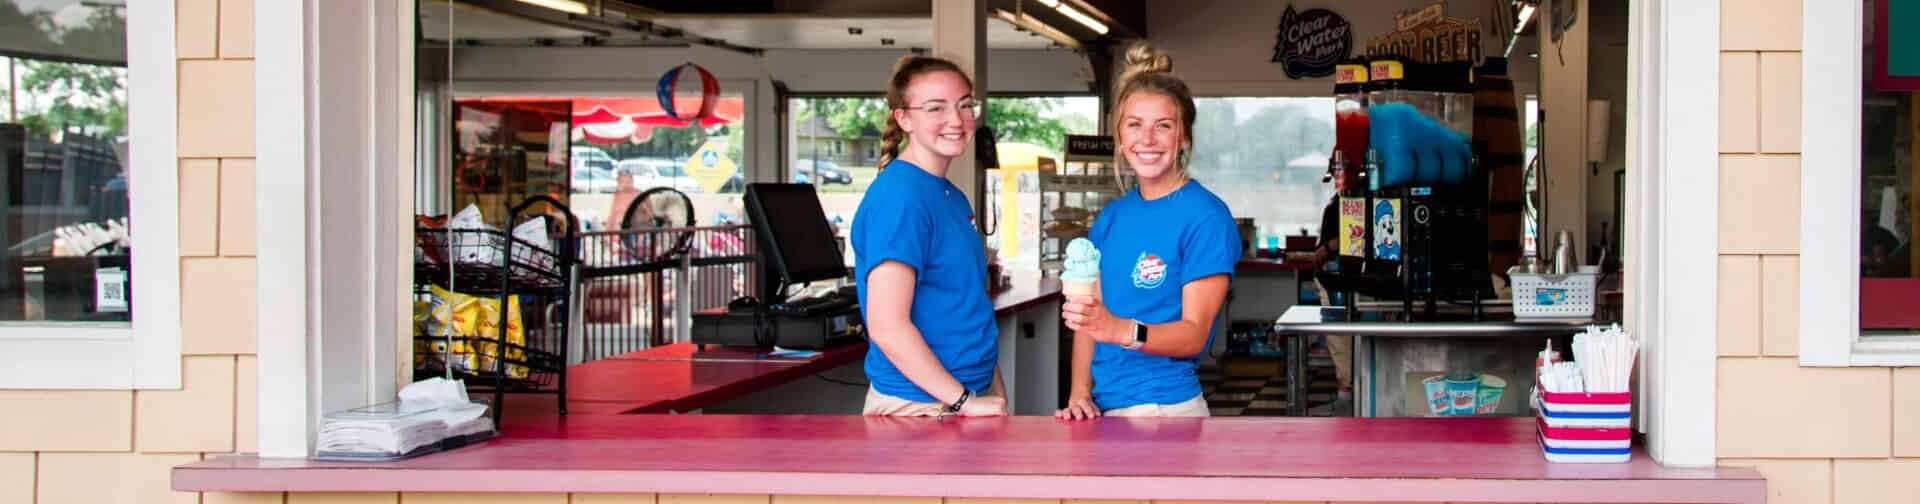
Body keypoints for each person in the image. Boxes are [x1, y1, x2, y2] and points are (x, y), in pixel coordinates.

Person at [1057, 43, 1239, 419]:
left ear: (1184, 137)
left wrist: (1122, 330)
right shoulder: (1111, 217)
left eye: (1164, 126)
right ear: (1120, 136)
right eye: (1135, 124)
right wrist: (1078, 394)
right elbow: (1090, 320)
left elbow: (1193, 335)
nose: (1148, 139)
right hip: (1103, 409)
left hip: (1164, 410)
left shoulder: (1205, 217)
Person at [851, 55, 1008, 417]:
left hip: (961, 395)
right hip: (921, 405)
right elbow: (888, 327)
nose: (956, 120)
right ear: (903, 118)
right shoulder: (900, 200)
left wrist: (992, 390)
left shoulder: (949, 195)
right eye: (935, 108)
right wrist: (965, 402)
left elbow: (967, 306)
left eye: (965, 105)